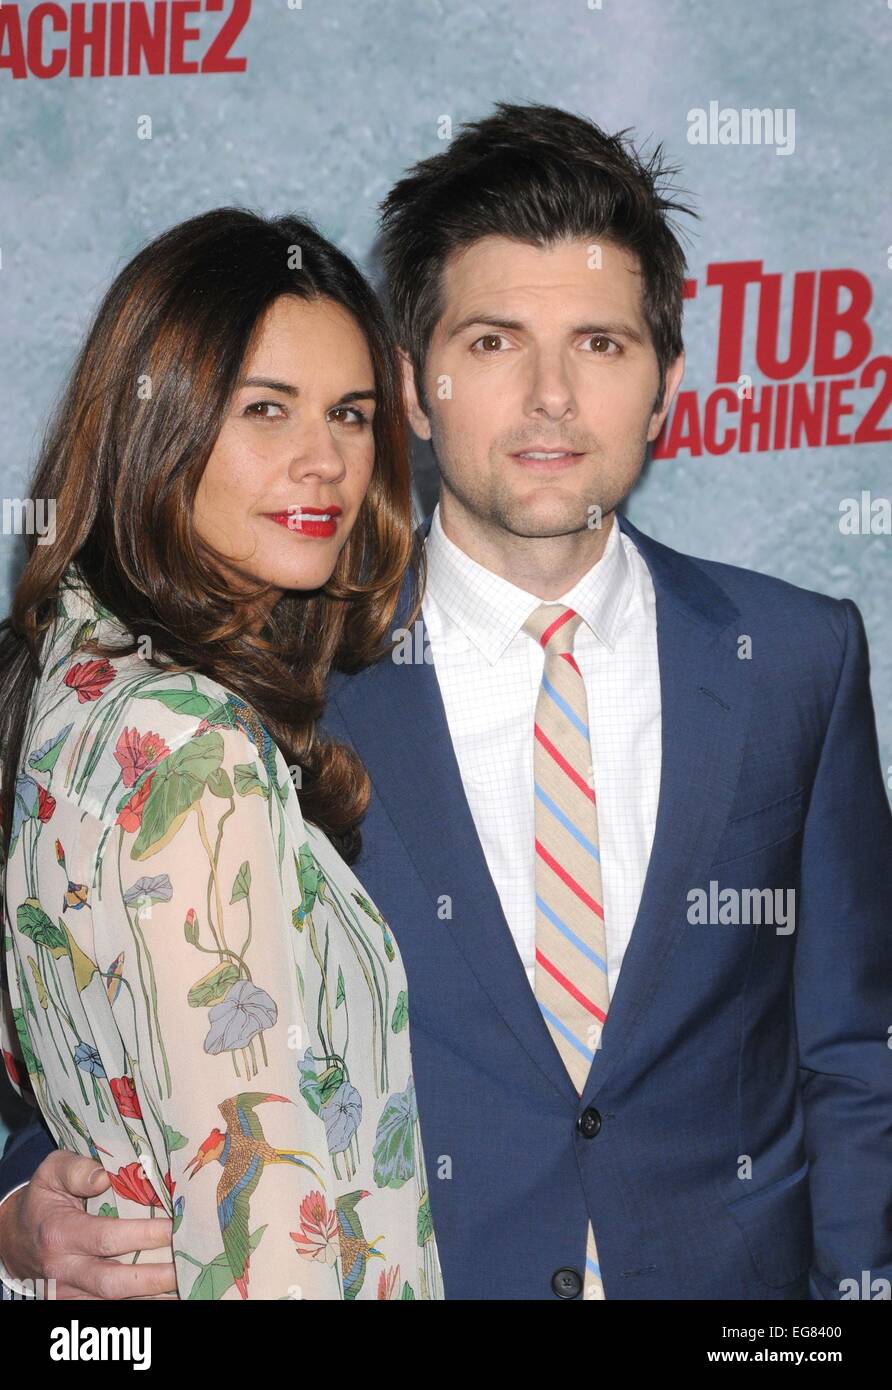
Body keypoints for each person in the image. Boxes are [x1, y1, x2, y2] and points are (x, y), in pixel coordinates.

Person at [3, 101, 892, 1302]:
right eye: (492, 342)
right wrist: (20, 1201)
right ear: (415, 387)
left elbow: (850, 1053)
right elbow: (60, 996)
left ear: (668, 380)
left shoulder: (796, 656)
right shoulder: (264, 672)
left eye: (600, 344)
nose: (548, 398)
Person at [0, 207, 445, 1301]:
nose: (325, 458)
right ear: (157, 424)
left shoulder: (67, 678)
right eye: (265, 409)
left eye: (350, 413)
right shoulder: (191, 748)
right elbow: (258, 1234)